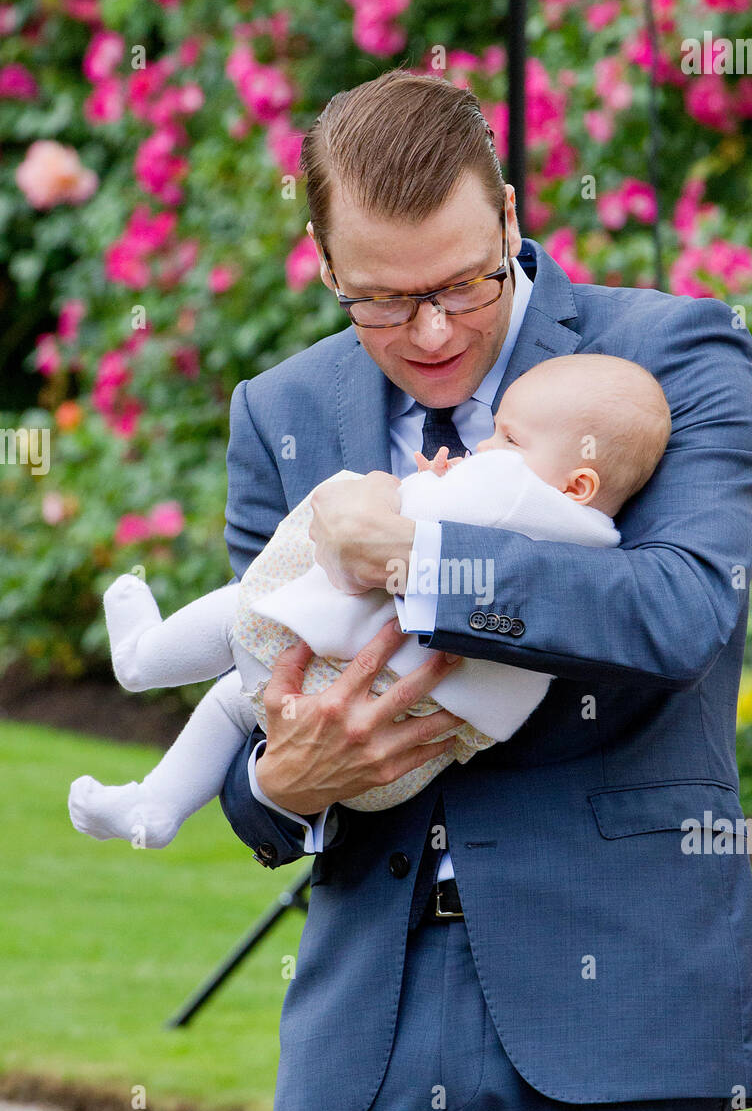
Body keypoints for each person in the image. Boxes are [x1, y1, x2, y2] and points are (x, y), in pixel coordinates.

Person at [219, 68, 752, 1111]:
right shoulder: (278, 406)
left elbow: (680, 609)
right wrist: (281, 783)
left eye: (462, 284)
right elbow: (251, 707)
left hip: (613, 1010)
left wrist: (424, 568)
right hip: (358, 1032)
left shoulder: (670, 356)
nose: (430, 330)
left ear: (513, 220)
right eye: (381, 300)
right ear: (325, 267)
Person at [67, 353, 667, 844]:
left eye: (508, 438)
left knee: (241, 616)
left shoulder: (513, 488)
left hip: (340, 700)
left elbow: (419, 518)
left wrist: (390, 492)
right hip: (403, 764)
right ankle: (154, 809)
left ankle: (143, 667)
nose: (486, 449)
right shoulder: (600, 544)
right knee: (235, 701)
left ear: (578, 482)